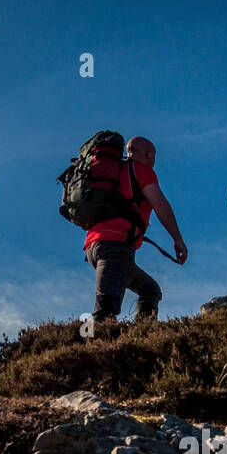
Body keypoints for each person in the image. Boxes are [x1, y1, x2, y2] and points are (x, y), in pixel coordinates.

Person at [85, 136, 186, 321]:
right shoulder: (142, 171)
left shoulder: (113, 172)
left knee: (150, 290)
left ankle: (143, 337)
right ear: (149, 155)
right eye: (154, 155)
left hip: (95, 247)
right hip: (116, 249)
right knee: (105, 313)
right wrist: (178, 239)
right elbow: (160, 205)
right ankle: (91, 347)